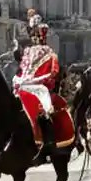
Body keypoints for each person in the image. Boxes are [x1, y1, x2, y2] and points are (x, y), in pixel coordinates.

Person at [12, 9, 62, 157]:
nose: (35, 37)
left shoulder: (50, 53)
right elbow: (22, 69)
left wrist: (38, 80)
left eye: (38, 34)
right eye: (33, 33)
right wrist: (18, 77)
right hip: (24, 85)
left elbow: (53, 73)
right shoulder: (27, 51)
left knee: (46, 112)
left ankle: (48, 141)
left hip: (41, 87)